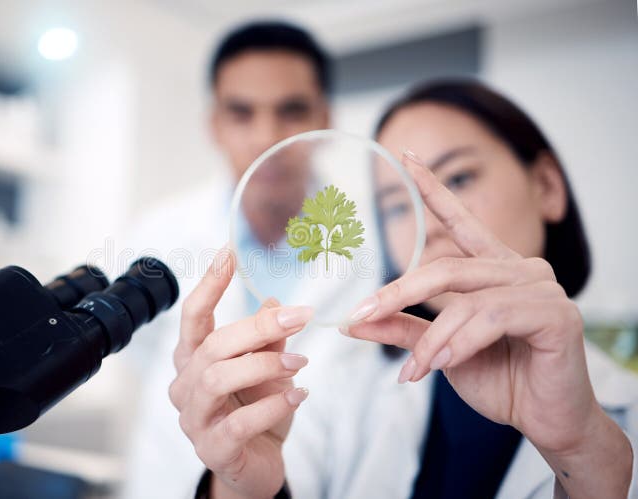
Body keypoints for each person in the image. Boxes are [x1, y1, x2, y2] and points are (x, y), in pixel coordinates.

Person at [170, 80, 638, 498]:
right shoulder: (341, 393)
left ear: (547, 185)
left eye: (457, 178)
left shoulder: (623, 416)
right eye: (398, 205)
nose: (428, 226)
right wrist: (241, 488)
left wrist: (585, 460)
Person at [120, 21, 346, 498]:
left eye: (291, 111)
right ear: (215, 125)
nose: (266, 136)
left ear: (325, 118)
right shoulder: (159, 234)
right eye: (242, 113)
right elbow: (141, 354)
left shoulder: (371, 249)